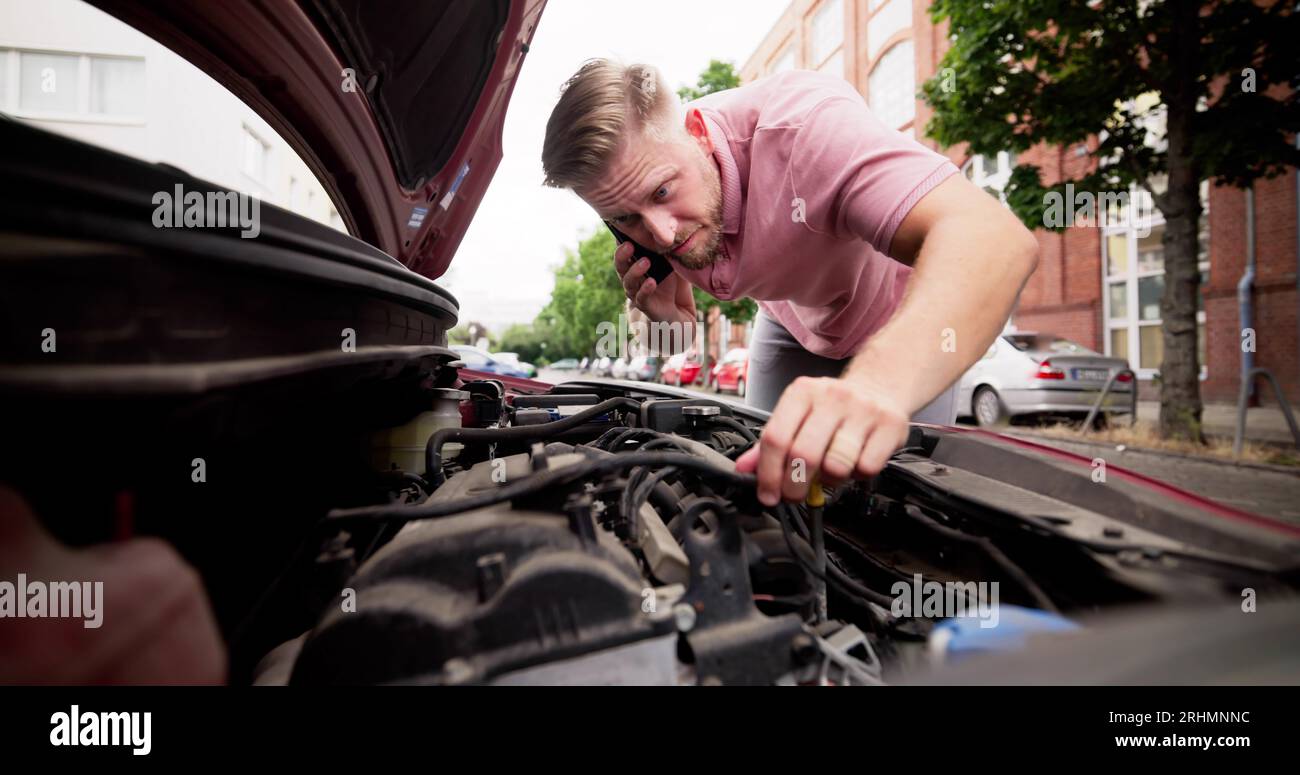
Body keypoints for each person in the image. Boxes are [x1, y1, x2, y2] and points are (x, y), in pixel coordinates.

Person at [541, 60, 1038, 506]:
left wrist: (877, 386)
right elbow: (675, 341)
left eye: (663, 192)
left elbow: (996, 240)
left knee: (907, 499)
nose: (662, 235)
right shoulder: (638, 199)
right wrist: (661, 323)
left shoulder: (808, 130)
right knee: (766, 484)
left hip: (899, 320)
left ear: (697, 133)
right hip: (790, 322)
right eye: (625, 218)